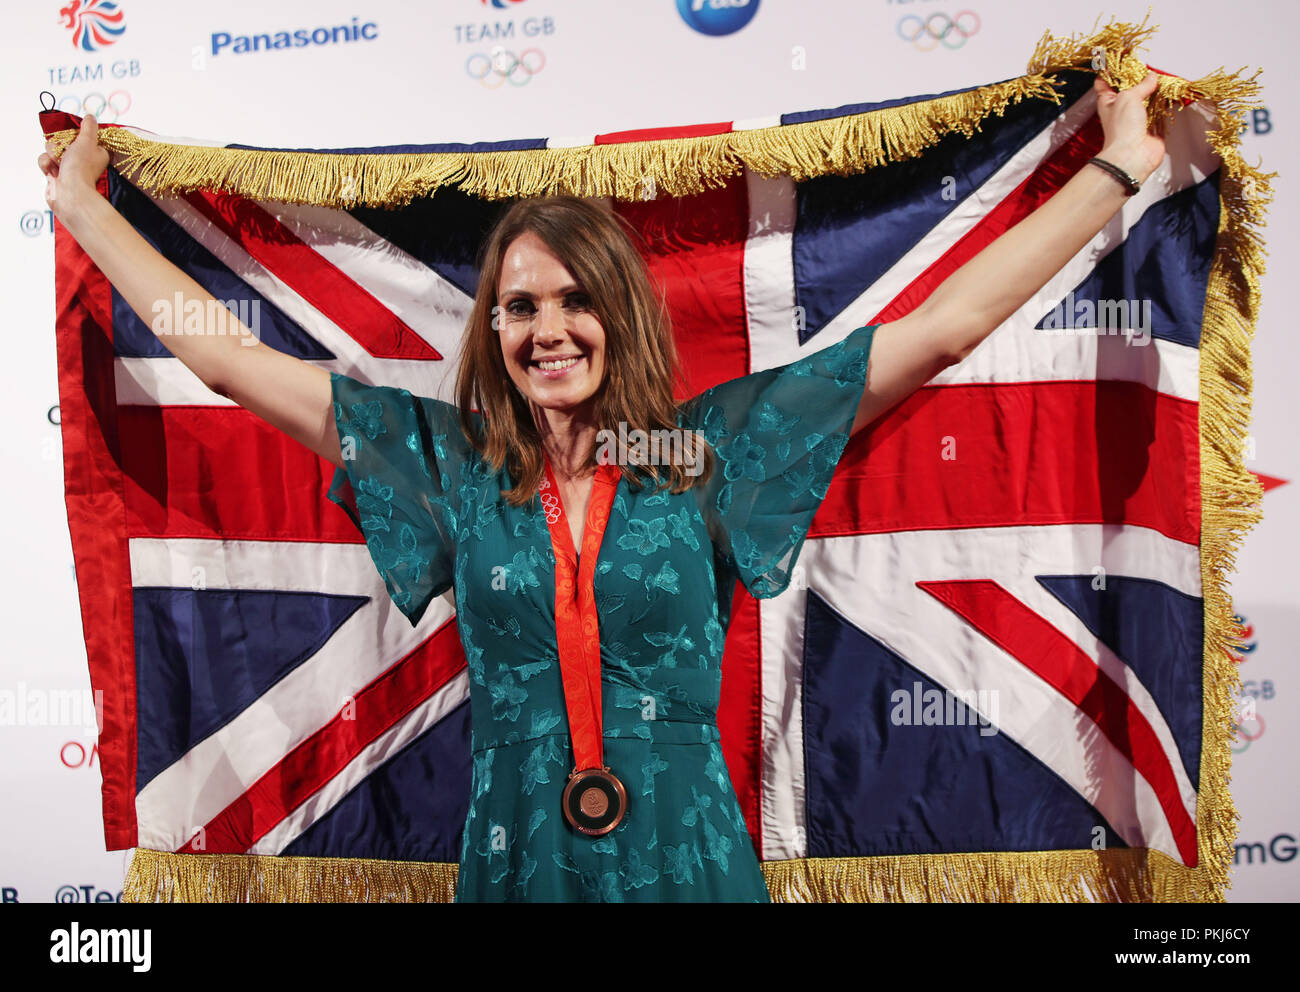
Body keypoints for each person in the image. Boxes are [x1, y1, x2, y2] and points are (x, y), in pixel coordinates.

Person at [36, 72, 1166, 902]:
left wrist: (1120, 168)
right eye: (519, 306)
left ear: (618, 314)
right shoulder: (445, 460)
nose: (547, 329)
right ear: (494, 327)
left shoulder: (711, 450)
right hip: (515, 852)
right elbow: (232, 361)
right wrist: (84, 209)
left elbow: (941, 330)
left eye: (574, 301)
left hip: (686, 857)